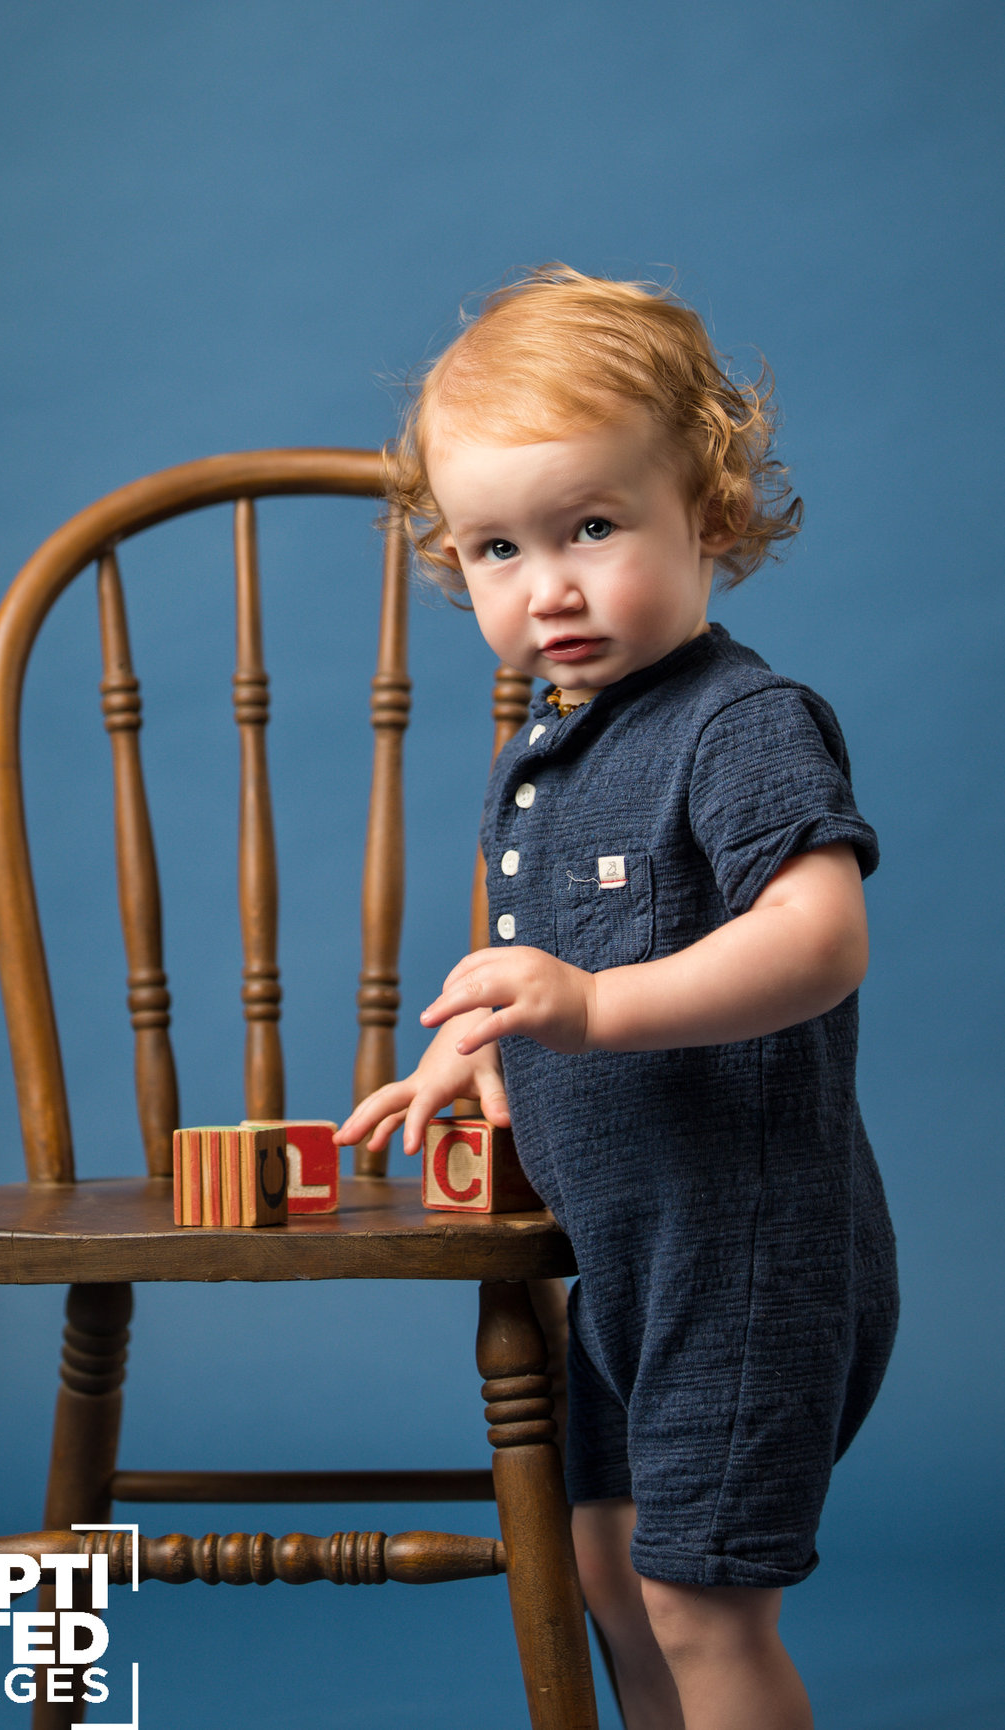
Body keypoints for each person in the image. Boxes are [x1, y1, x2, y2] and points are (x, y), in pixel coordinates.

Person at [335, 266, 898, 1730]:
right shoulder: (548, 754)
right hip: (625, 1260)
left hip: (747, 1256)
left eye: (592, 527)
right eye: (498, 548)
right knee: (605, 1567)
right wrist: (480, 1054)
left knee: (701, 1599)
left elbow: (818, 937)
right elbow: (551, 967)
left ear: (708, 513)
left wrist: (586, 1006)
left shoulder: (740, 722)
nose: (550, 587)